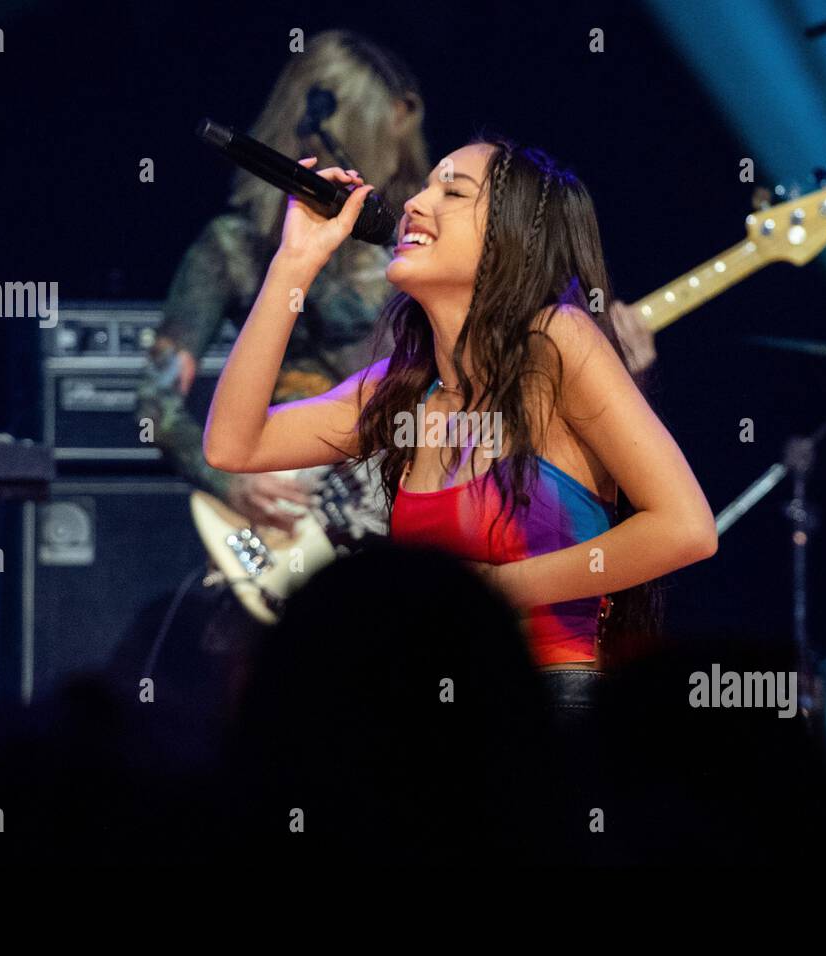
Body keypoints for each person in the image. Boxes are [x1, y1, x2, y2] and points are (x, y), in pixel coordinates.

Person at [203, 136, 717, 698]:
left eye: (452, 191)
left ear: (512, 235)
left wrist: (488, 592)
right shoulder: (405, 392)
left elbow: (685, 527)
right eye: (424, 187)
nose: (414, 205)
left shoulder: (555, 341)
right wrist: (295, 262)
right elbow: (234, 445)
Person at [137, 30, 430, 533]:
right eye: (383, 138)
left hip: (402, 496)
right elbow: (156, 403)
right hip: (296, 508)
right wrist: (231, 483)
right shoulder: (235, 246)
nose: (396, 155)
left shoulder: (417, 235)